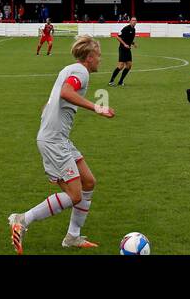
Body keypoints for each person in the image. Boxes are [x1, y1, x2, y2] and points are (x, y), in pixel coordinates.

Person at [7, 35, 114, 253]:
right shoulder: (81, 72)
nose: (100, 61)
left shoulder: (69, 69)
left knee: (89, 182)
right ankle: (22, 219)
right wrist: (97, 108)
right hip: (54, 140)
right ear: (90, 57)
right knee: (75, 195)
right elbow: (66, 92)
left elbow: (48, 104)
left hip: (58, 138)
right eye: (99, 57)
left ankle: (72, 237)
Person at [109, 16, 137, 86]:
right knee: (121, 66)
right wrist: (124, 44)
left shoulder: (133, 29)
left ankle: (120, 81)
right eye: (133, 20)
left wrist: (133, 43)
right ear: (130, 21)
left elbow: (129, 39)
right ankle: (111, 81)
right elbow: (118, 37)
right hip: (122, 49)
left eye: (135, 20)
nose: (134, 21)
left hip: (128, 49)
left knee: (129, 65)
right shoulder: (126, 28)